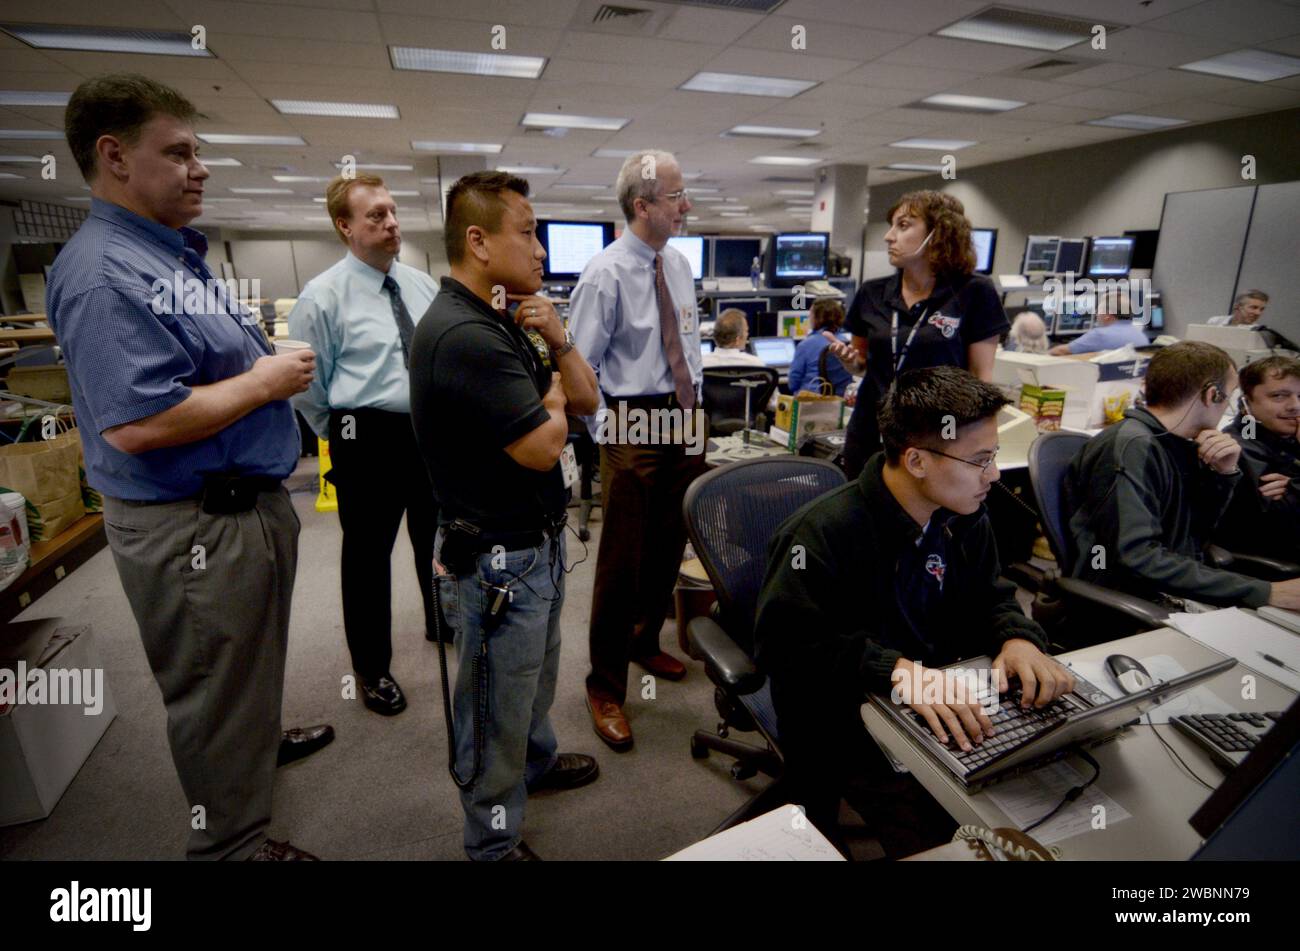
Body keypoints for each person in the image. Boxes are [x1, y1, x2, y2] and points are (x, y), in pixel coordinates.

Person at [47, 73, 330, 861]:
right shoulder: (107, 271)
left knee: (243, 672)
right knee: (210, 691)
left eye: (198, 152)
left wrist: (254, 365)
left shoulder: (166, 252)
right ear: (114, 156)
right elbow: (138, 423)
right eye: (178, 153)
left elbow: (194, 365)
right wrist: (265, 379)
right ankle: (232, 846)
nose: (199, 167)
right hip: (193, 525)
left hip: (239, 505)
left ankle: (252, 748)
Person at [754, 366, 1072, 857]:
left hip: (939, 693)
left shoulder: (964, 515)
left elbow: (991, 594)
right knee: (943, 841)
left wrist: (1017, 638)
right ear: (917, 460)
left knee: (1046, 790)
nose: (993, 475)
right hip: (840, 713)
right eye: (980, 460)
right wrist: (899, 671)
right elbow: (785, 646)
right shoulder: (822, 534)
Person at [409, 171, 601, 861]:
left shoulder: (507, 315)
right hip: (497, 559)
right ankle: (491, 843)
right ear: (478, 239)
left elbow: (587, 402)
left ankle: (536, 762)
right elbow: (546, 444)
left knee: (533, 683)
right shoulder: (465, 332)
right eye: (528, 231)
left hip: (537, 544)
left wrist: (560, 340)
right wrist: (552, 389)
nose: (542, 248)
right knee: (494, 708)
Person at [568, 149, 706, 751]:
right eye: (676, 196)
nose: (686, 205)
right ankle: (604, 687)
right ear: (641, 205)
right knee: (621, 558)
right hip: (630, 418)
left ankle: (646, 642)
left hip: (682, 415)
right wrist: (608, 433)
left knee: (669, 543)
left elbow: (688, 344)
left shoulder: (676, 264)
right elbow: (578, 365)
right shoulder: (604, 273)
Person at [288, 174, 440, 717]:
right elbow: (309, 386)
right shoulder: (322, 296)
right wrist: (339, 431)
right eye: (375, 215)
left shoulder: (421, 285)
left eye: (393, 211)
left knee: (437, 541)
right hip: (364, 435)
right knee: (367, 558)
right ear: (345, 227)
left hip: (428, 433)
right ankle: (373, 670)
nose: (392, 222)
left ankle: (439, 622)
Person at [1065, 341, 1300, 611]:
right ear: (1212, 395)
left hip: (1178, 589)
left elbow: (1195, 536)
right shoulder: (1132, 447)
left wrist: (1223, 474)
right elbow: (1137, 558)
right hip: (1135, 602)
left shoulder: (1177, 444)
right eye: (1230, 397)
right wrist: (1266, 592)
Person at [824, 191, 1008, 478]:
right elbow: (864, 365)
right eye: (892, 225)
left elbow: (980, 379)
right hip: (873, 426)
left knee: (928, 516)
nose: (888, 236)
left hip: (937, 430)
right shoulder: (872, 293)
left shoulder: (974, 292)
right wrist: (852, 364)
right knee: (868, 511)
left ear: (938, 233)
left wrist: (982, 450)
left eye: (903, 225)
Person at [1215, 355, 1300, 562]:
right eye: (1279, 396)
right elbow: (1283, 522)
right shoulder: (1240, 446)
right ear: (1246, 403)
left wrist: (1293, 485)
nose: (1295, 406)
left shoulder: (1286, 434)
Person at [1049, 290, 1148, 355]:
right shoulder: (1141, 336)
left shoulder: (1100, 335)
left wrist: (1042, 354)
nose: (1096, 313)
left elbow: (1060, 351)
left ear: (1108, 314)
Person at [787, 298, 853, 395]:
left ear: (816, 318)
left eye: (811, 315)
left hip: (810, 402)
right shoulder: (845, 342)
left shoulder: (806, 345)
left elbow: (793, 383)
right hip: (839, 402)